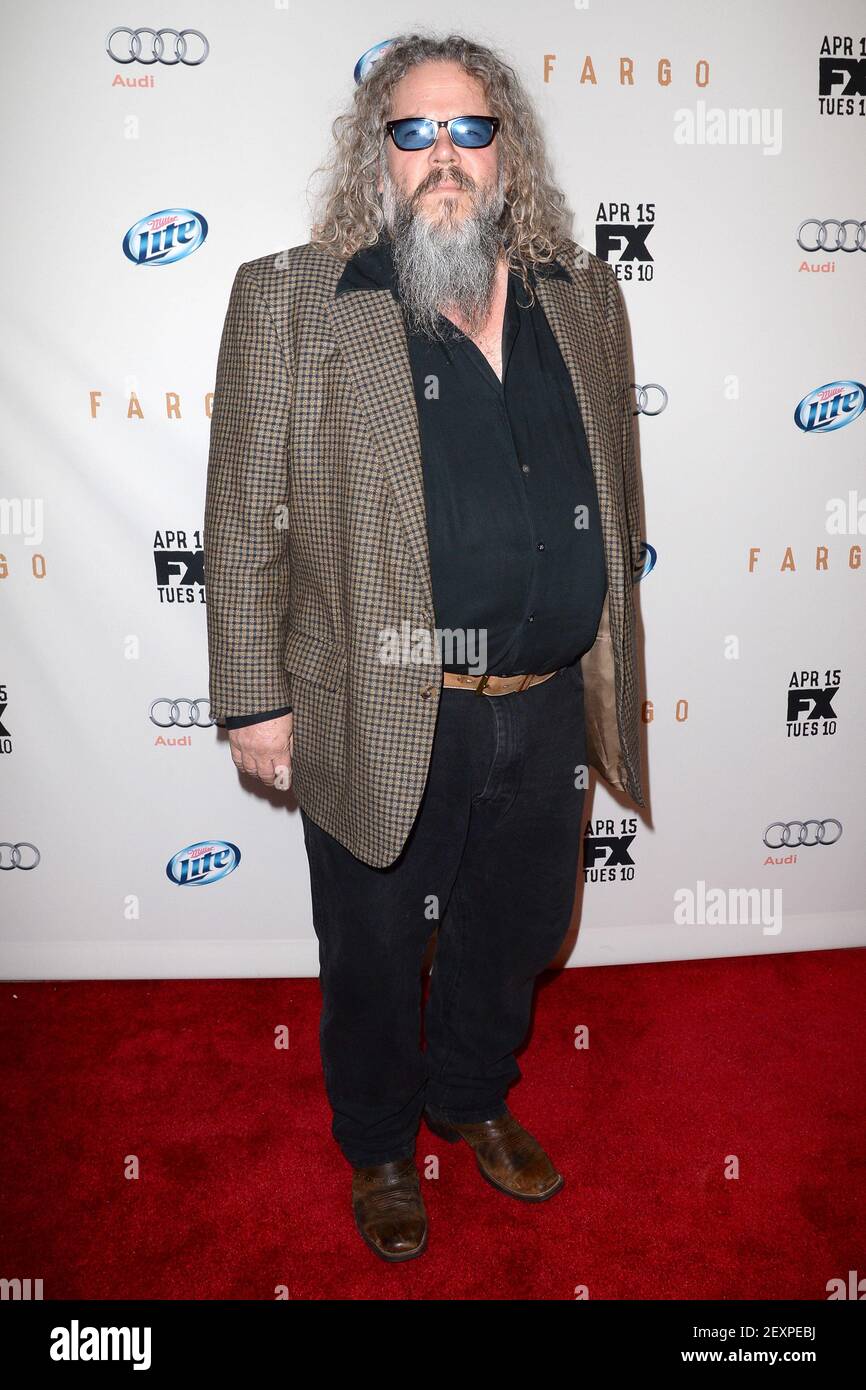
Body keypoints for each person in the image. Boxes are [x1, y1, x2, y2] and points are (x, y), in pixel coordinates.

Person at [203, 31, 645, 1263]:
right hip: (386, 697)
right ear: (376, 154)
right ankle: (382, 1144)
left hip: (547, 692)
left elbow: (612, 478)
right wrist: (253, 698)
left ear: (506, 151)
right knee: (374, 940)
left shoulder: (581, 293)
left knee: (513, 928)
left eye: (467, 129)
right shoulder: (293, 299)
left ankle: (471, 1095)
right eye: (413, 131)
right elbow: (242, 516)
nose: (442, 154)